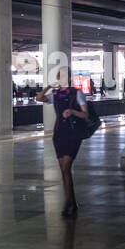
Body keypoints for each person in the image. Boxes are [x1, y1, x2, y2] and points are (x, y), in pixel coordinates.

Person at [36, 68, 89, 217]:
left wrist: (72, 111)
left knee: (66, 167)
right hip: (59, 133)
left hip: (73, 133)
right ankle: (72, 201)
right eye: (60, 77)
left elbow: (85, 114)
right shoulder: (55, 95)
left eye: (64, 76)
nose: (62, 79)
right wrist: (48, 87)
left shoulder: (77, 93)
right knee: (63, 169)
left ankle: (68, 202)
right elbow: (39, 98)